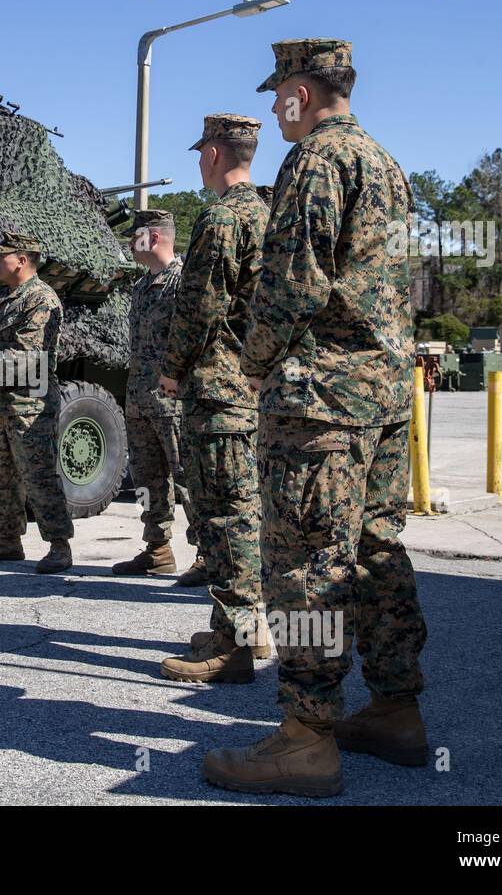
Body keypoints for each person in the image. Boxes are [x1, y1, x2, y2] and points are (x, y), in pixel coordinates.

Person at [200, 40, 428, 798]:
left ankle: (306, 738)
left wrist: (254, 359)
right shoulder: (386, 164)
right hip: (386, 393)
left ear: (302, 89)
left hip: (322, 399)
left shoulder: (316, 161)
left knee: (305, 566)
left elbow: (294, 281)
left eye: (278, 94)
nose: (273, 108)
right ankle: (395, 710)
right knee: (375, 550)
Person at [156, 114, 272, 685]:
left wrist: (172, 370)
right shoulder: (269, 212)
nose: (200, 161)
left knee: (227, 516)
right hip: (253, 386)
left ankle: (235, 646)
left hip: (219, 389)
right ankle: (246, 631)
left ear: (213, 154)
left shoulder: (222, 219)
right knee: (243, 510)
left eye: (202, 152)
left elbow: (199, 306)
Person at [0, 231, 73, 574]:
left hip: (31, 404)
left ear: (23, 260)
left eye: (2, 256)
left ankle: (59, 545)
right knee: (0, 474)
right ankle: (8, 539)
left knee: (38, 474)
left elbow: (30, 355)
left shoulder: (41, 299)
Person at [111, 210, 201, 579]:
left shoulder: (183, 283)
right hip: (140, 400)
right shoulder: (141, 286)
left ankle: (209, 553)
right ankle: (158, 549)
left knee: (189, 479)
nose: (131, 243)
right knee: (149, 482)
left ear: (156, 238)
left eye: (136, 236)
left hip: (172, 403)